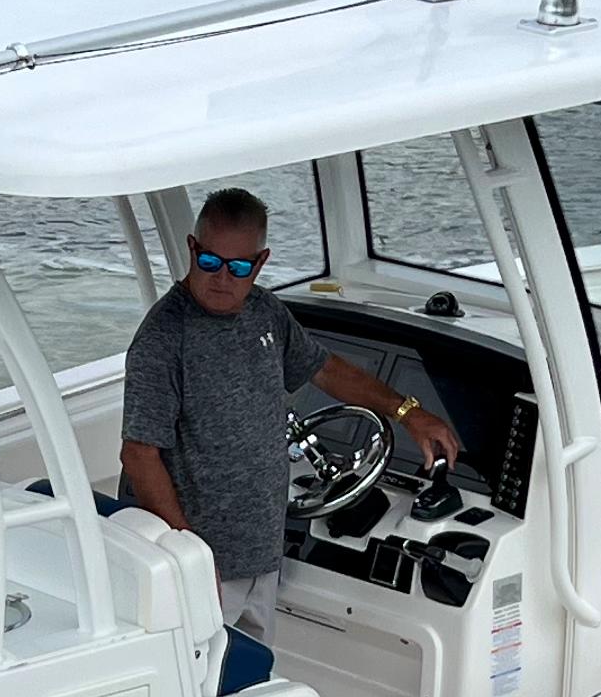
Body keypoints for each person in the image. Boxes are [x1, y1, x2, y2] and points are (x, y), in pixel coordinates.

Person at [118, 188, 459, 649]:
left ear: (260, 263)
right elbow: (139, 455)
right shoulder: (163, 339)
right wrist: (189, 558)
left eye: (239, 267)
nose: (223, 278)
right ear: (192, 250)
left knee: (251, 682)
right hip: (198, 567)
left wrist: (408, 413)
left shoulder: (266, 312)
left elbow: (325, 368)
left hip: (261, 553)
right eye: (211, 262)